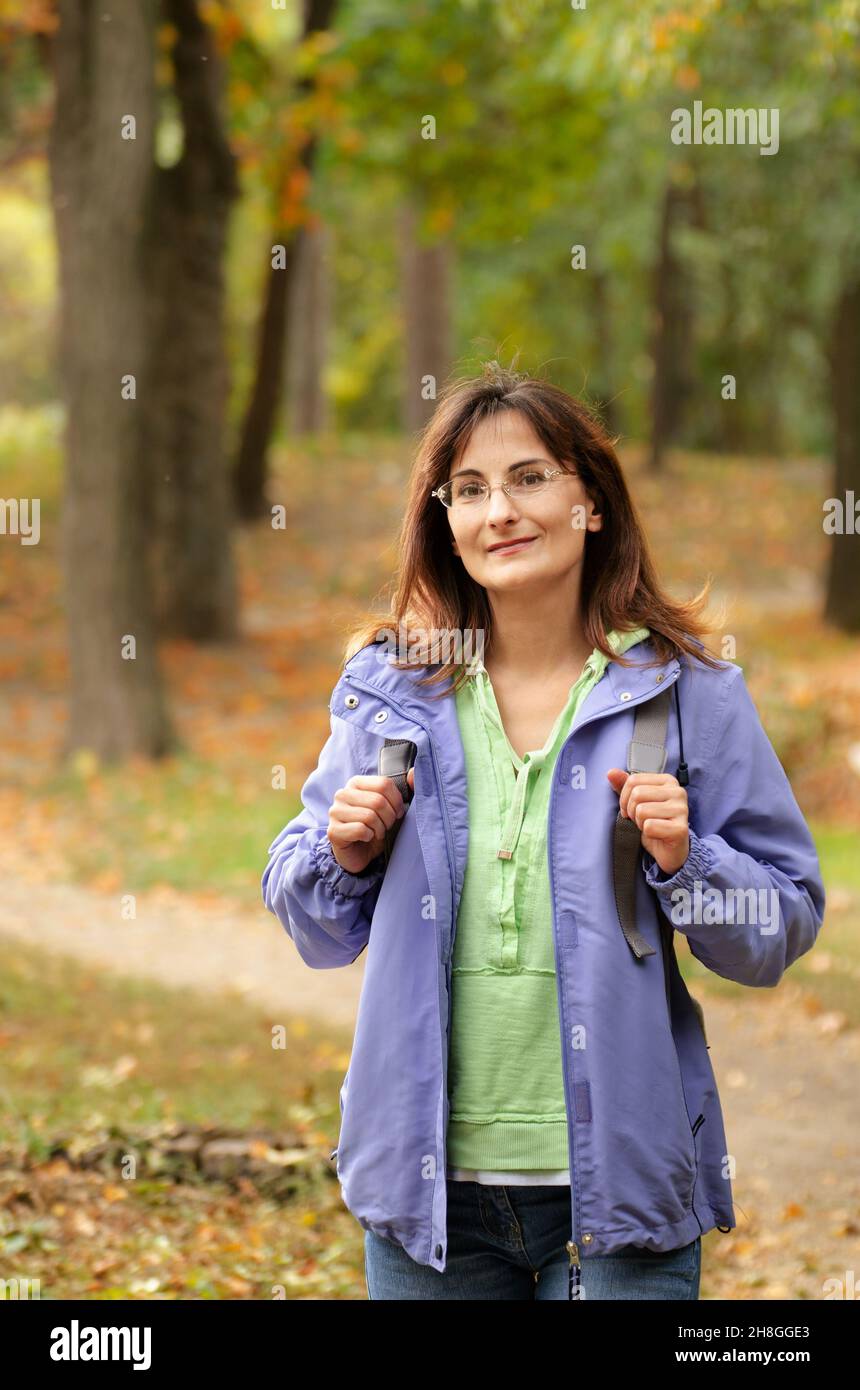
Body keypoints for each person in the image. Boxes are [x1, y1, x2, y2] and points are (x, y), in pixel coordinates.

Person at [262, 363, 826, 1300]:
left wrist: (690, 861)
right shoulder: (391, 691)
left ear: (592, 504)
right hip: (429, 1198)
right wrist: (341, 854)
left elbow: (782, 923)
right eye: (470, 490)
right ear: (443, 519)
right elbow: (311, 921)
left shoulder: (689, 695)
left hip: (619, 1199)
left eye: (529, 478)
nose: (499, 513)